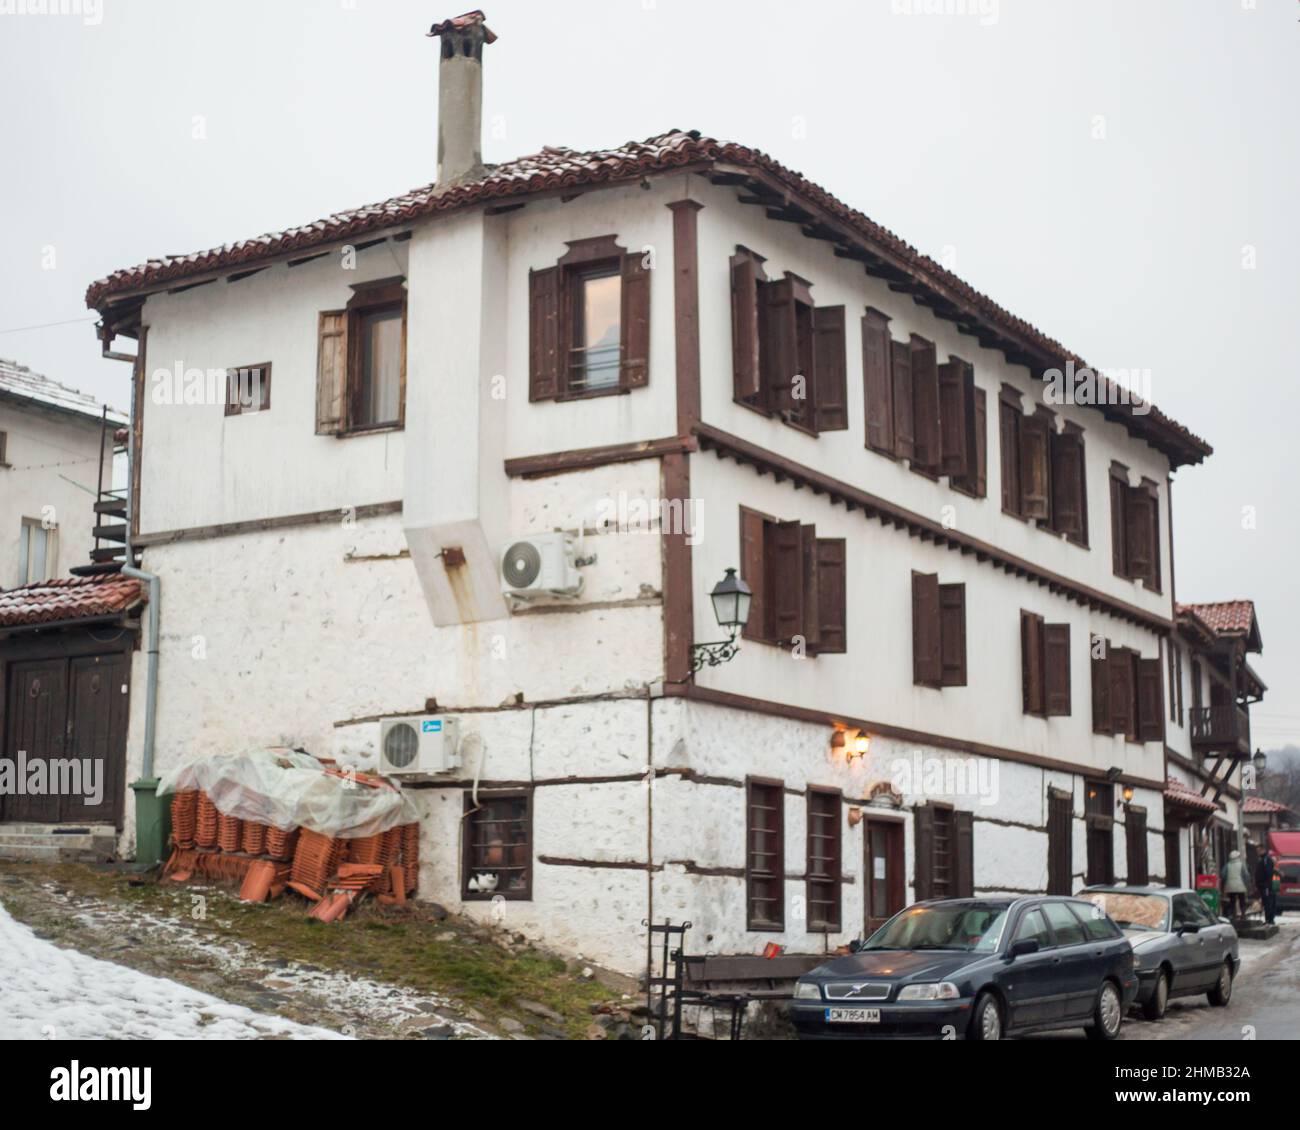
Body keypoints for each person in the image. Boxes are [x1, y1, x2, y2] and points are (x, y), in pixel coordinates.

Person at [1222, 850, 1249, 919]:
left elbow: (1223, 875)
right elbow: (1246, 875)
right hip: (1240, 885)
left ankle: (1234, 915)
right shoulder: (1241, 865)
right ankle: (1243, 915)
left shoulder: (1227, 865)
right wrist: (1246, 884)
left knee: (1232, 901)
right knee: (1242, 900)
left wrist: (1225, 883)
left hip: (1230, 886)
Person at [1255, 850, 1277, 925]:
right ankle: (1270, 919)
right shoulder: (1266, 862)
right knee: (1269, 903)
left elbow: (1268, 875)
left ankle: (1269, 919)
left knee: (1268, 903)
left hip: (1268, 887)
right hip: (1268, 887)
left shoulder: (1267, 862)